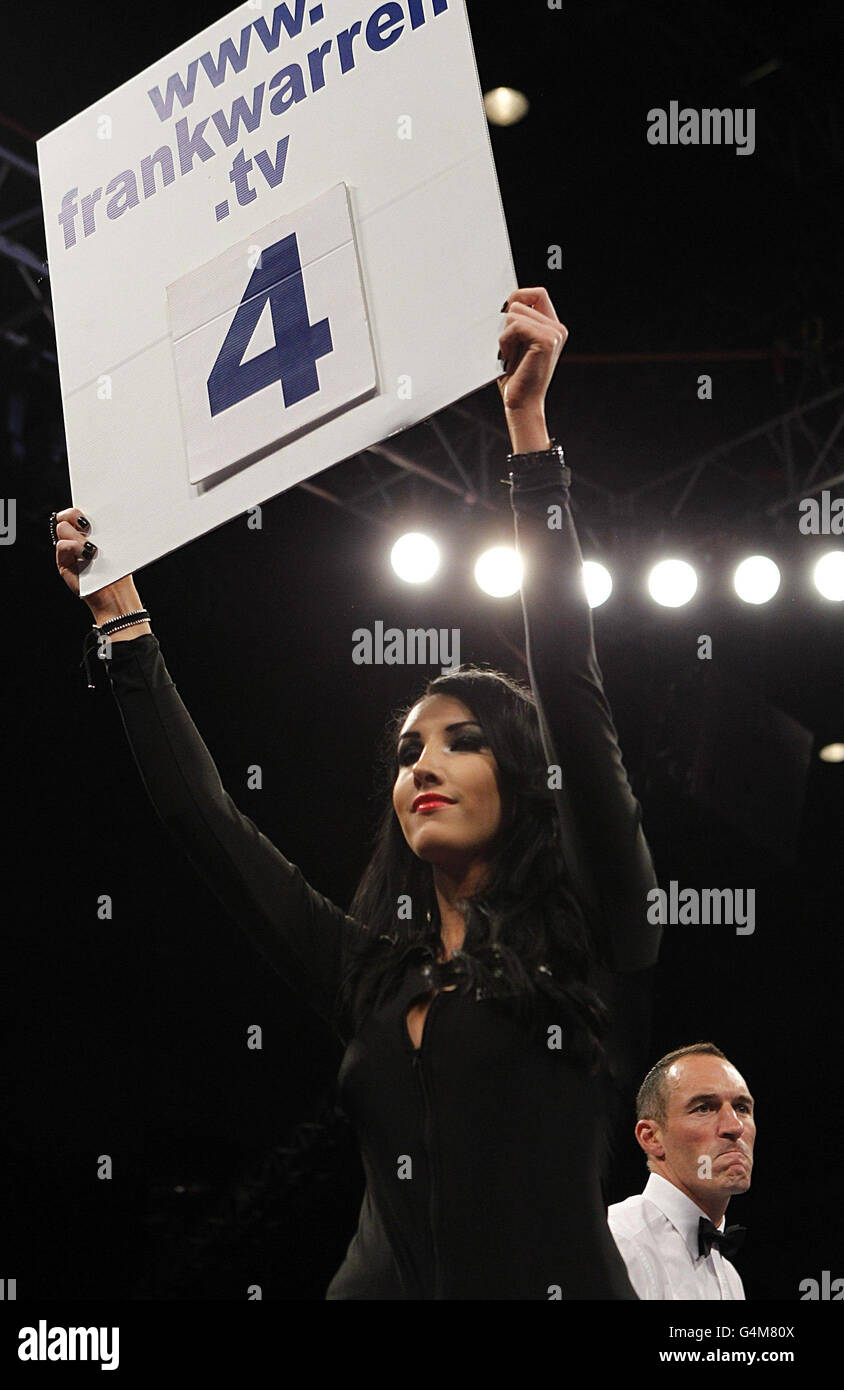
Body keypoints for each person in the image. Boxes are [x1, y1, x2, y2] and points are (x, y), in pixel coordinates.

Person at [52, 287, 661, 1299]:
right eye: (409, 748)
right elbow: (206, 822)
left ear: (527, 779)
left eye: (461, 744)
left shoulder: (598, 931)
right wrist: (121, 620)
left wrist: (527, 431)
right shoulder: (369, 972)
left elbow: (567, 674)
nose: (420, 763)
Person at [607, 1042, 754, 1300]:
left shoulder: (729, 1277)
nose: (734, 1126)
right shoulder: (620, 1242)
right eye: (704, 1108)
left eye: (742, 1108)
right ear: (651, 1137)